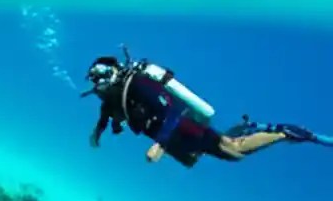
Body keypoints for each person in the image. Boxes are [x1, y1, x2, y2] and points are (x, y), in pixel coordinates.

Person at [82, 48, 332, 167]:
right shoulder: (112, 100)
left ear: (112, 71)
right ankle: (244, 127)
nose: (97, 82)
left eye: (99, 75)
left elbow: (174, 109)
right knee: (200, 156)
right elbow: (105, 118)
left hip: (183, 127)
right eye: (94, 78)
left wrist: (161, 144)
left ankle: (283, 132)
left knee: (234, 152)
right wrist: (97, 135)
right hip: (174, 138)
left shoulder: (137, 83)